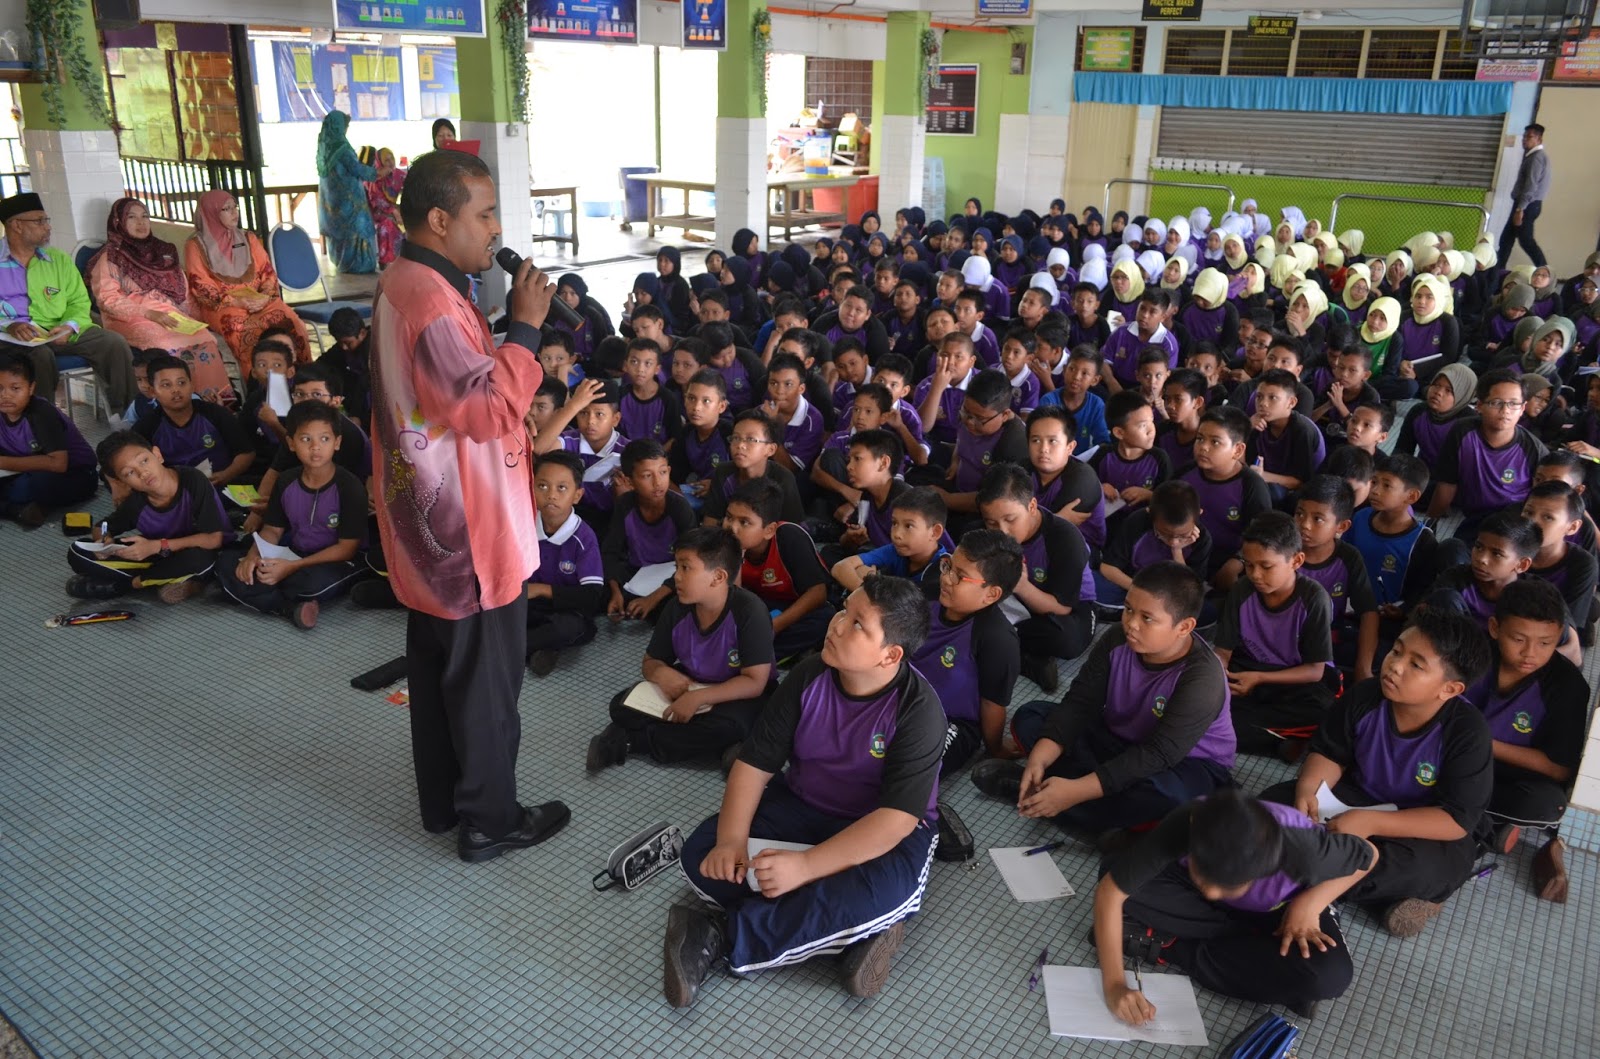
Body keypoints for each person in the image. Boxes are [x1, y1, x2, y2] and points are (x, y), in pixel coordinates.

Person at [369, 148, 570, 862]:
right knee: (487, 683)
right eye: (484, 214)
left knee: (437, 666)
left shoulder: (403, 280)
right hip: (472, 530)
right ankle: (489, 819)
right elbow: (484, 412)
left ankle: (443, 800)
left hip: (426, 524)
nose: (495, 229)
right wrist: (523, 330)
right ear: (438, 218)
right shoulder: (433, 305)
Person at [668, 576, 942, 1007]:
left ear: (891, 654)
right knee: (702, 857)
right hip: (802, 803)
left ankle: (719, 937)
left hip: (882, 831)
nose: (836, 625)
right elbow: (754, 764)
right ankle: (849, 936)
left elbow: (895, 822)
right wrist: (731, 841)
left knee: (886, 893)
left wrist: (807, 866)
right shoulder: (809, 676)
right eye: (843, 610)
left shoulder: (919, 711)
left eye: (857, 624)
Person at [1263, 608, 1494, 938]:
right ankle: (1370, 895)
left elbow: (1456, 820)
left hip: (1417, 827)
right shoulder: (1366, 695)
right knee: (1274, 804)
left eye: (1416, 665)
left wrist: (1371, 822)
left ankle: (1314, 880)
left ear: (1450, 689)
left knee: (1439, 866)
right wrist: (1310, 790)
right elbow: (1331, 752)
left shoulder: (1467, 733)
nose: (1395, 665)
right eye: (1397, 649)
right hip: (1355, 797)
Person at [976, 562, 1236, 837]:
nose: (1131, 624)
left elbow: (1159, 754)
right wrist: (1039, 760)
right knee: (1032, 719)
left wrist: (1076, 791)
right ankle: (1095, 815)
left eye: (1147, 618)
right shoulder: (1117, 639)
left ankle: (1061, 803)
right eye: (1128, 609)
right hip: (1119, 740)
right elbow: (1080, 703)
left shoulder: (1202, 677)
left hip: (1182, 763)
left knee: (1172, 798)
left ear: (1184, 627)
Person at [1092, 790, 1376, 1024]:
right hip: (1203, 904)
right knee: (1116, 872)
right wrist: (1115, 985)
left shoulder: (1306, 852)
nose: (1212, 892)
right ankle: (1254, 956)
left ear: (1262, 870)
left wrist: (1309, 905)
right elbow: (1111, 892)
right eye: (1202, 873)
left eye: (1228, 885)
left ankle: (1173, 946)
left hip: (1282, 910)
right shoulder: (1192, 822)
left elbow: (1370, 855)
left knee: (1328, 976)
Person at [1463, 579, 1586, 903]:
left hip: (1511, 778)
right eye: (1518, 639)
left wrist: (1483, 742)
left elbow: (1559, 769)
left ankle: (1478, 822)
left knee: (1547, 805)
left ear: (1559, 634)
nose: (1531, 653)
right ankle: (1486, 828)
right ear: (1494, 627)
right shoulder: (1471, 656)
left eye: (1545, 643)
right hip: (1458, 760)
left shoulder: (1567, 686)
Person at [216, 401, 366, 628]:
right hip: (294, 552)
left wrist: (292, 567)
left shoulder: (350, 486)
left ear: (337, 442)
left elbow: (347, 548)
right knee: (227, 563)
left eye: (324, 439)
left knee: (307, 585)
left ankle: (267, 595)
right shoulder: (286, 481)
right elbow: (272, 530)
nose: (315, 447)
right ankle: (287, 607)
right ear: (291, 443)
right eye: (306, 439)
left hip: (337, 560)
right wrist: (253, 555)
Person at [0, 191, 138, 415]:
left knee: (113, 343)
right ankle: (41, 422)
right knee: (40, 356)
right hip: (12, 338)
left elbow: (78, 300)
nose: (48, 226)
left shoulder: (57, 259)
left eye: (47, 220)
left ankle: (129, 414)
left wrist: (69, 325)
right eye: (40, 221)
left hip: (58, 329)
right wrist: (10, 325)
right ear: (16, 225)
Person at [89, 197, 233, 406]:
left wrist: (197, 319)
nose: (141, 223)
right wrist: (147, 313)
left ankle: (212, 404)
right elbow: (107, 299)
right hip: (130, 317)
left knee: (204, 338)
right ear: (118, 222)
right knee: (164, 344)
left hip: (168, 312)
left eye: (145, 216)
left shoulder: (164, 251)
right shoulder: (111, 257)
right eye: (132, 217)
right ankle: (172, 405)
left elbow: (182, 291)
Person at [66, 431, 229, 603]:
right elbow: (103, 525)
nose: (143, 473)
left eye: (144, 460)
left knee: (204, 561)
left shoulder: (192, 480)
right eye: (129, 473)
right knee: (78, 552)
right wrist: (105, 540)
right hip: (159, 556)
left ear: (157, 455)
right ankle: (166, 579)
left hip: (199, 551)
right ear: (123, 482)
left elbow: (214, 539)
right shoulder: (137, 501)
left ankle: (127, 585)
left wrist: (158, 545)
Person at [184, 190, 312, 374]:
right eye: (226, 209)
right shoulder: (196, 245)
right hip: (223, 306)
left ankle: (300, 379)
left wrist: (264, 297)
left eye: (234, 207)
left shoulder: (247, 238)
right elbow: (200, 286)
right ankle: (258, 386)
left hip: (260, 300)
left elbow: (267, 272)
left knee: (293, 324)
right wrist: (235, 301)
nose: (234, 213)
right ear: (210, 213)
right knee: (244, 331)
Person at [524, 451, 606, 678]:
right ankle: (542, 649)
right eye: (542, 486)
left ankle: (514, 649)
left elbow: (591, 596)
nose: (551, 495)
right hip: (527, 606)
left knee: (571, 628)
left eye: (562, 488)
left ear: (577, 495)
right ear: (531, 488)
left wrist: (541, 590)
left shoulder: (584, 537)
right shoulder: (523, 525)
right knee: (494, 613)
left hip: (564, 610)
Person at [0, 350, 97, 527]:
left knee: (31, 486)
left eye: (15, 388)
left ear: (30, 388)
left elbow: (58, 463)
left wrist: (4, 462)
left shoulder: (41, 413)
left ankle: (13, 509)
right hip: (22, 470)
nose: (5, 395)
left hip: (75, 475)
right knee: (19, 486)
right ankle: (17, 510)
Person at [316, 111, 379, 275]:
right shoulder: (341, 148)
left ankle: (341, 263)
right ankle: (359, 265)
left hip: (331, 201)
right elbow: (357, 169)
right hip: (349, 201)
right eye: (345, 126)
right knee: (356, 230)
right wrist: (378, 172)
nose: (346, 130)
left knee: (339, 233)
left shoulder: (324, 148)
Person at [1497, 124, 1550, 269]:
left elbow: (1531, 186)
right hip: (1524, 204)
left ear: (1539, 139)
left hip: (1527, 205)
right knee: (1506, 239)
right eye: (1525, 136)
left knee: (1525, 240)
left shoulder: (1536, 158)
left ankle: (1544, 270)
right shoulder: (1531, 156)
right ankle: (1498, 272)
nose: (1525, 140)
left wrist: (1520, 209)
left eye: (1530, 137)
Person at [360, 146, 406, 268]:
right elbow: (377, 202)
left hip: (392, 211)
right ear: (379, 162)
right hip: (376, 213)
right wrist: (395, 212)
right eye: (387, 160)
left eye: (392, 158)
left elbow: (411, 185)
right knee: (387, 224)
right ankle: (386, 261)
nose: (391, 162)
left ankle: (405, 259)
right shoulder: (374, 178)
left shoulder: (398, 175)